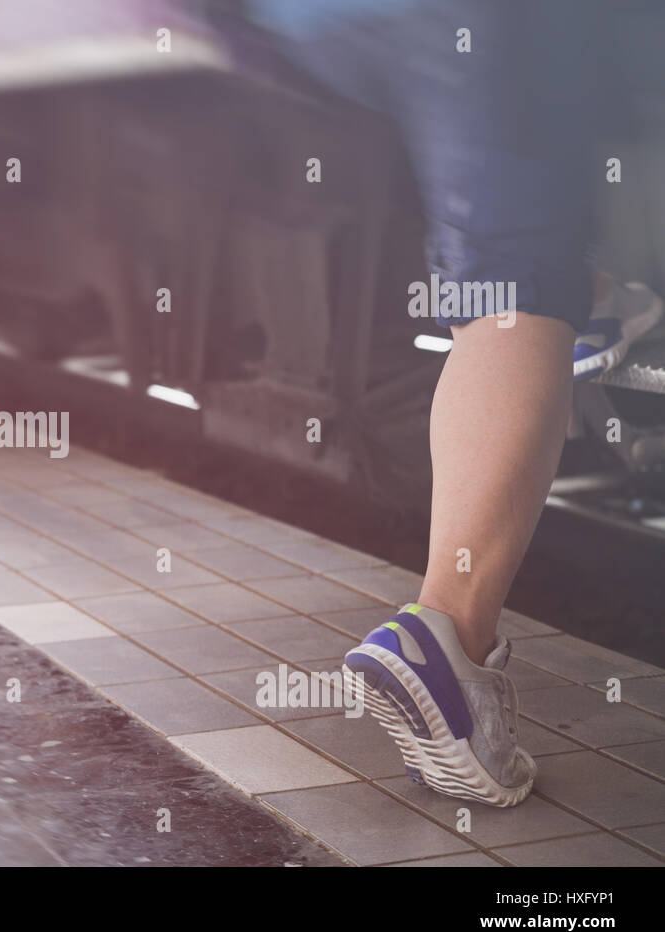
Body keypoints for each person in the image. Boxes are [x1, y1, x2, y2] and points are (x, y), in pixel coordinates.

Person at [244, 0, 661, 806]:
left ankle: (595, 294)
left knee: (505, 252)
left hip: (310, 25)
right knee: (518, 283)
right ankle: (449, 639)